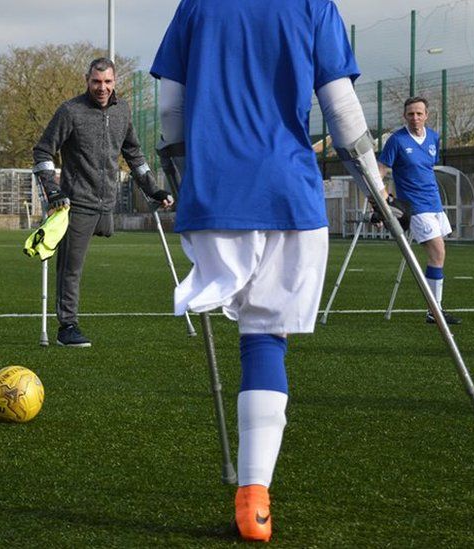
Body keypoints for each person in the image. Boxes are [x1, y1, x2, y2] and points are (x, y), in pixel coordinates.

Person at [151, 0, 390, 542]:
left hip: (216, 194)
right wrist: (374, 182)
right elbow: (342, 109)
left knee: (247, 336)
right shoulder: (312, 4)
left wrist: (190, 172)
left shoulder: (197, 5)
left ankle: (250, 494)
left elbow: (170, 108)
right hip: (288, 193)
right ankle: (254, 495)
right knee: (266, 340)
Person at [32, 57, 174, 347]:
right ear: (87, 81)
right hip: (77, 202)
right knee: (71, 267)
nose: (102, 88)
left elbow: (134, 154)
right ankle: (67, 327)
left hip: (107, 204)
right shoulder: (70, 111)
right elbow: (43, 152)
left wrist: (154, 190)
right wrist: (53, 191)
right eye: (96, 82)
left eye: (107, 82)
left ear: (114, 82)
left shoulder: (123, 110)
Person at [378, 97, 461, 325]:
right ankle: (435, 311)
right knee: (437, 251)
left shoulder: (434, 137)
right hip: (415, 207)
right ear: (405, 116)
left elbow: (427, 168)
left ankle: (433, 310)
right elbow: (380, 172)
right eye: (410, 114)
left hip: (435, 203)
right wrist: (383, 202)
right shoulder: (396, 140)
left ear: (426, 115)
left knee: (439, 256)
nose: (415, 118)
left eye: (419, 113)